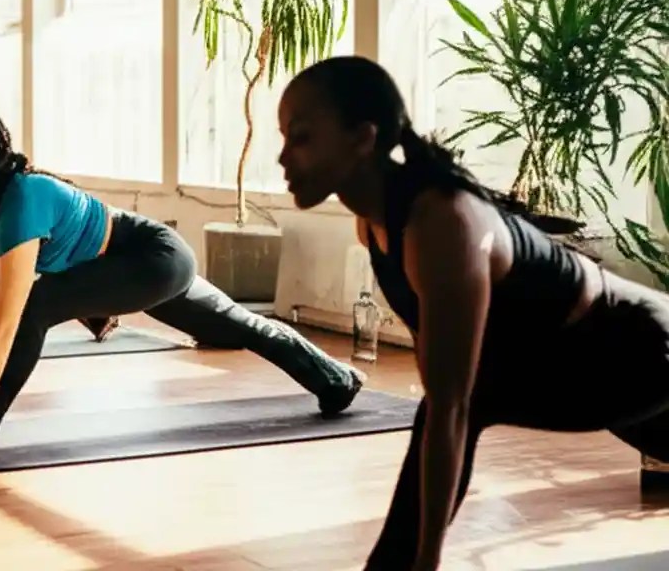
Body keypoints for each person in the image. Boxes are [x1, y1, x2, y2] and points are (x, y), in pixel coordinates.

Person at [273, 55, 669, 570]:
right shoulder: (374, 222)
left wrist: (427, 561)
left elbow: (451, 410)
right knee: (458, 402)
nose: (283, 158)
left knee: (456, 405)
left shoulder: (440, 223)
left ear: (362, 137)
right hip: (573, 363)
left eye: (301, 137)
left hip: (635, 350)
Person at [0, 105, 365, 464]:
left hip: (152, 258)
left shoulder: (23, 199)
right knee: (238, 326)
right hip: (136, 266)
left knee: (33, 307)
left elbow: (6, 324)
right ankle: (338, 381)